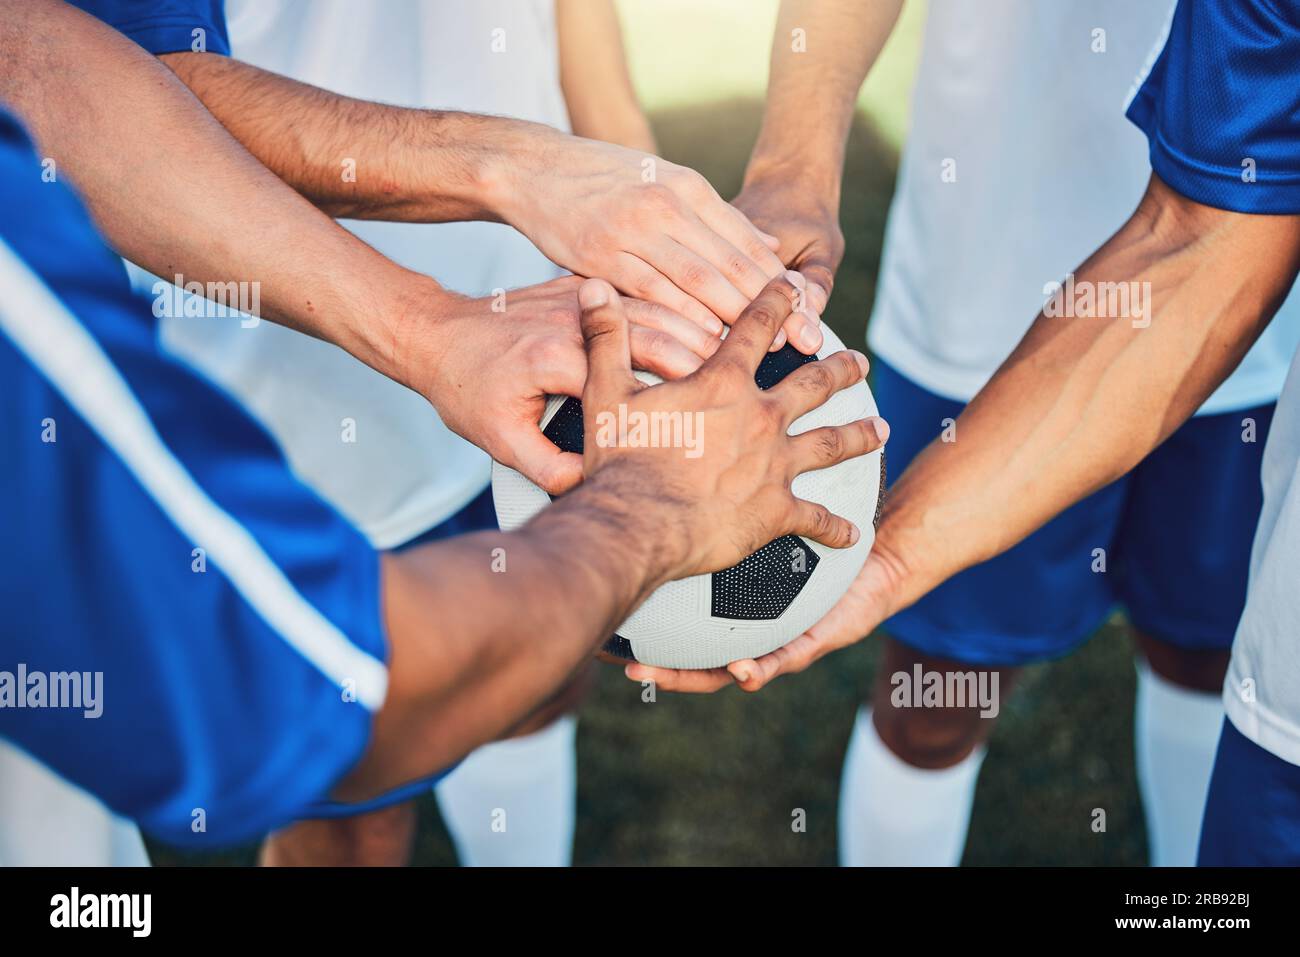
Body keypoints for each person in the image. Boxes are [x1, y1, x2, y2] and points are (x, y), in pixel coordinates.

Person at [0, 86, 885, 845]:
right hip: (286, 385)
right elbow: (325, 696)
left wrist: (470, 258)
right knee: (356, 801)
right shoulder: (28, 351)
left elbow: (42, 55)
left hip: (513, 335)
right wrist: (653, 510)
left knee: (530, 684)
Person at [640, 0, 1300, 868]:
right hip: (996, 302)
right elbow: (1204, 241)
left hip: (1251, 330)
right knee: (940, 693)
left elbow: (1212, 235)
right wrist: (798, 159)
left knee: (1206, 652)